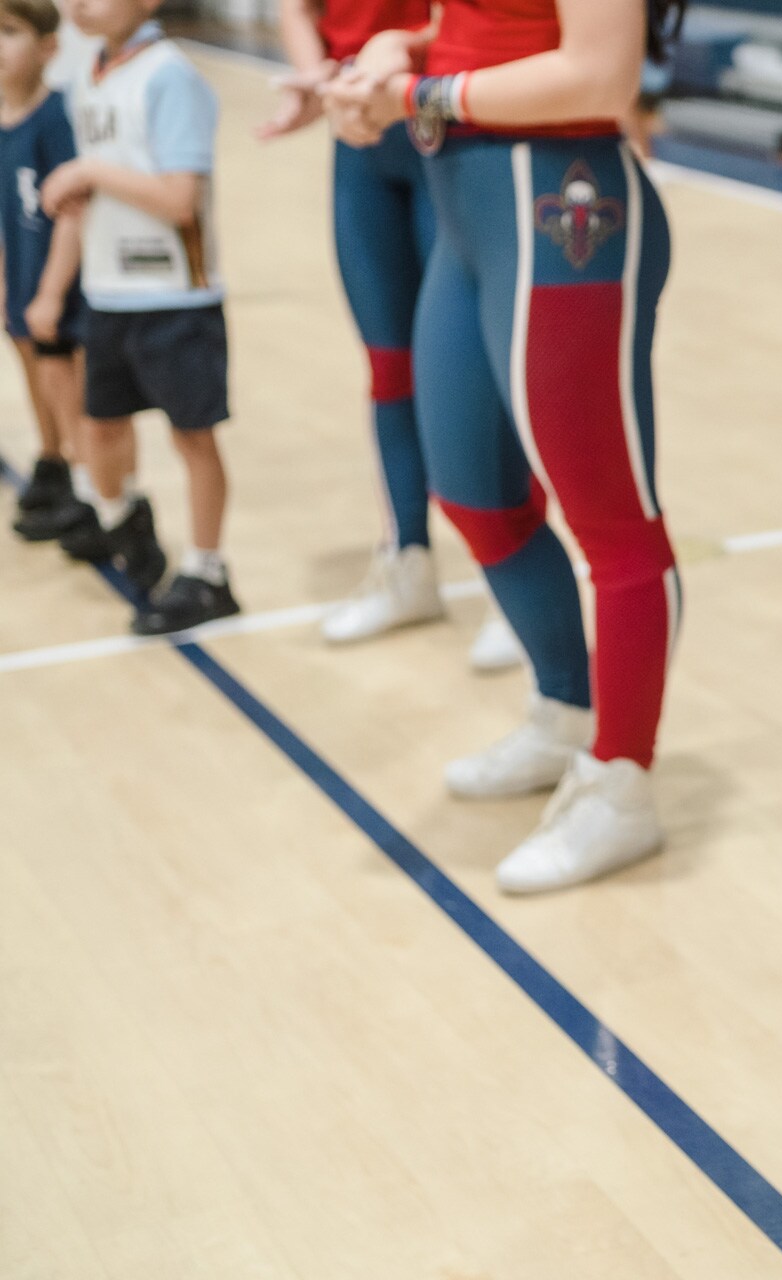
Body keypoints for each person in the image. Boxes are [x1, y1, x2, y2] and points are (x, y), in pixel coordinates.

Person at [318, 0, 686, 893]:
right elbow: (471, 25)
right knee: (473, 491)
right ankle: (566, 709)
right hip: (470, 206)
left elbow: (600, 76)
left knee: (616, 525)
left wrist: (413, 91)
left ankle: (622, 784)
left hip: (563, 208)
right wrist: (388, 50)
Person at [43, 0, 235, 634]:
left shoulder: (169, 74)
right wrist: (52, 288)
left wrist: (90, 169)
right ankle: (123, 521)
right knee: (99, 429)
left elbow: (181, 199)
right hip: (108, 293)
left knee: (192, 438)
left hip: (175, 296)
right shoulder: (89, 77)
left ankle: (209, 572)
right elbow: (82, 203)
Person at [259, 0, 444, 645]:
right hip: (360, 136)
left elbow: (491, 22)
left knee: (473, 364)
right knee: (389, 367)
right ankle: (408, 564)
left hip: (442, 120)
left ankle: (521, 581)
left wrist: (389, 55)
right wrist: (320, 77)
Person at [0, 0, 87, 544]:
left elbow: (75, 211)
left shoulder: (57, 117)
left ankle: (84, 481)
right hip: (21, 279)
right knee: (29, 366)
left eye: (9, 33)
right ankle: (52, 457)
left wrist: (51, 290)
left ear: (49, 47)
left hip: (56, 282)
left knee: (62, 377)